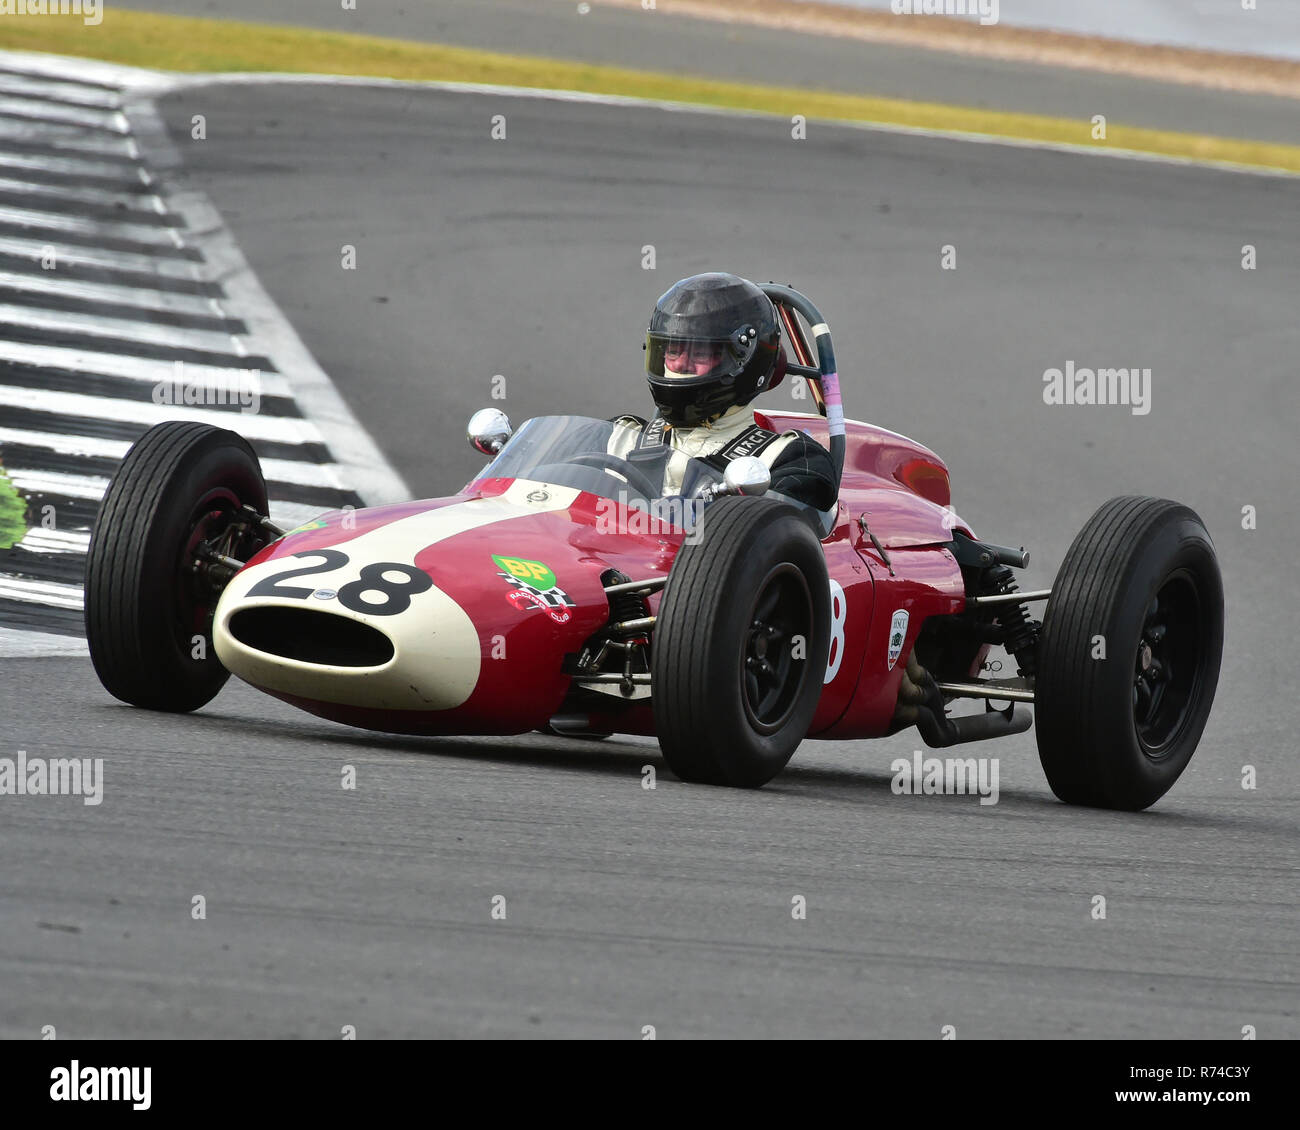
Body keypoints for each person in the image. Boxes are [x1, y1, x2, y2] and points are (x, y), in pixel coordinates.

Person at [607, 272, 838, 510]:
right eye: (673, 351)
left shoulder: (790, 460)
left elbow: (772, 534)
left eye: (700, 354)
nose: (682, 365)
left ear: (747, 362)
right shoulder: (619, 435)